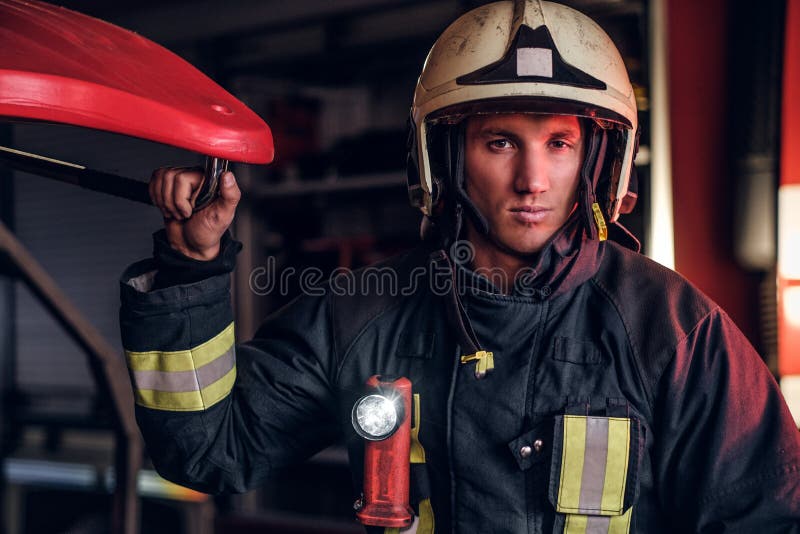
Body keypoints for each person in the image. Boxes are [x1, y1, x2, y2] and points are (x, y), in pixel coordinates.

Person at [119, 1, 800, 532]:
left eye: (559, 143)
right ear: (443, 158)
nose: (532, 179)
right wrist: (191, 265)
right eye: (500, 141)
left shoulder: (674, 333)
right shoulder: (363, 315)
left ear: (596, 161)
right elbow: (209, 451)